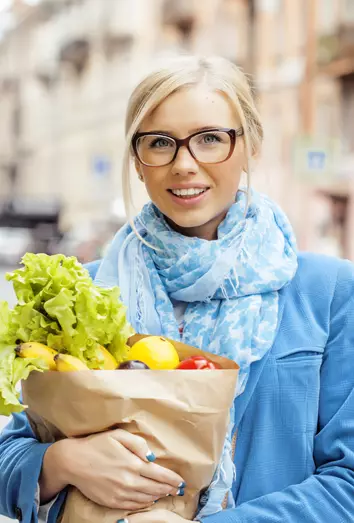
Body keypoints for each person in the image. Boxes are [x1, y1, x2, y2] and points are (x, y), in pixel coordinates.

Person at [1, 55, 354, 523]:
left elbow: (347, 485)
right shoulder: (85, 295)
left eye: (210, 139)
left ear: (251, 147)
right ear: (137, 160)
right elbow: (11, 457)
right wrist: (61, 463)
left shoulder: (328, 293)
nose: (184, 164)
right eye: (160, 143)